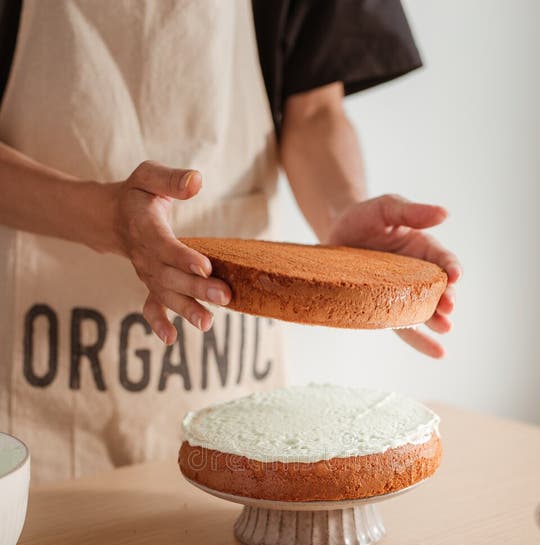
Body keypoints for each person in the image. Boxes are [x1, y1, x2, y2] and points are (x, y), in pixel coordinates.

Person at [0, 1, 461, 483]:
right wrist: (105, 219)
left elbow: (315, 110)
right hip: (37, 388)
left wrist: (341, 214)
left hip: (228, 362)